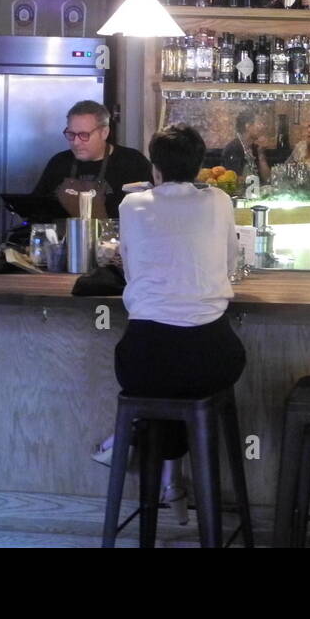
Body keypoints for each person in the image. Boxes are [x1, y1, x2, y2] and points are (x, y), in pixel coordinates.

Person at [110, 123, 247, 515]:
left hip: (143, 360)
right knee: (181, 379)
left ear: (156, 167)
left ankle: (136, 451)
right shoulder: (219, 201)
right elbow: (228, 265)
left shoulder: (131, 206)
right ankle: (173, 482)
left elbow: (133, 271)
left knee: (161, 383)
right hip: (212, 358)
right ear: (201, 164)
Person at [32, 100, 151, 218]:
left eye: (84, 135)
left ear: (104, 132)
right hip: (64, 237)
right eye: (71, 134)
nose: (76, 142)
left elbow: (148, 213)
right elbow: (36, 209)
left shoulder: (132, 162)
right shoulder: (58, 162)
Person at [219, 108, 272, 186]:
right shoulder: (233, 149)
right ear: (248, 126)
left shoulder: (255, 148)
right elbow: (234, 182)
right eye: (260, 123)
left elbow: (268, 179)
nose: (263, 127)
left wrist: (261, 154)